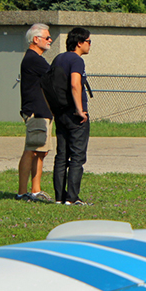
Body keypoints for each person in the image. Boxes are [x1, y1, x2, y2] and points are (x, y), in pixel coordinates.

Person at [52, 27, 93, 206]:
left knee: (61, 155)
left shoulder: (58, 59)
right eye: (89, 42)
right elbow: (75, 85)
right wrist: (79, 110)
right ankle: (72, 198)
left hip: (60, 113)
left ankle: (60, 197)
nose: (90, 45)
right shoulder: (76, 61)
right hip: (75, 115)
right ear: (79, 43)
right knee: (77, 156)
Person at [17, 24, 55, 202]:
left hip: (44, 111)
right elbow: (54, 76)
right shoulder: (33, 59)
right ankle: (22, 191)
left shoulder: (37, 58)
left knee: (41, 151)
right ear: (35, 39)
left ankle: (36, 189)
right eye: (47, 37)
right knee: (31, 149)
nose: (50, 40)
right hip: (35, 112)